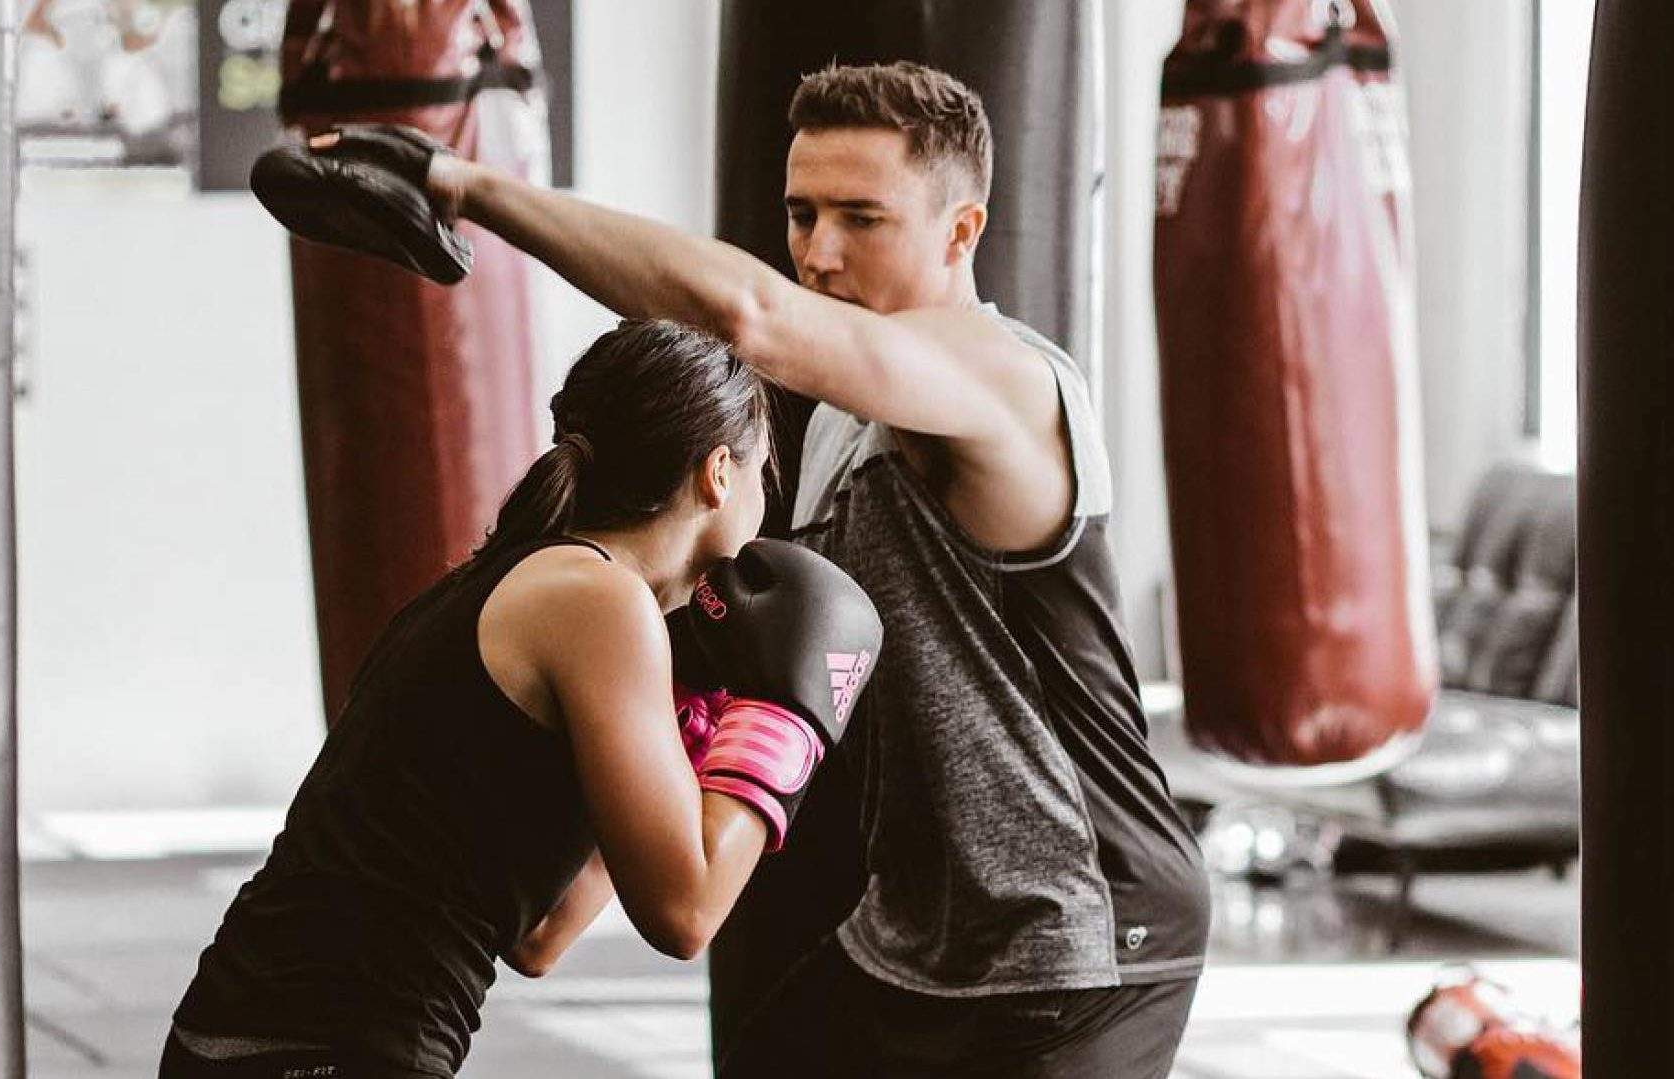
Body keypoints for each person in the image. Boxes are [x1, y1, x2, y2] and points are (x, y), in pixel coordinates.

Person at [256, 59, 1211, 1077]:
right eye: (801, 214)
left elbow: (752, 319)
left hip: (1083, 929)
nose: (820, 252)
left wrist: (465, 184)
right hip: (919, 932)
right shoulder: (843, 420)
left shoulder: (1007, 379)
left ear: (961, 231)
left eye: (862, 218)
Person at [161, 318, 882, 1078]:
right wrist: (782, 720)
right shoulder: (599, 600)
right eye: (762, 473)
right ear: (718, 474)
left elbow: (540, 934)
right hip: (323, 1046)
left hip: (259, 1031)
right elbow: (685, 912)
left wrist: (687, 736)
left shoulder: (530, 577)